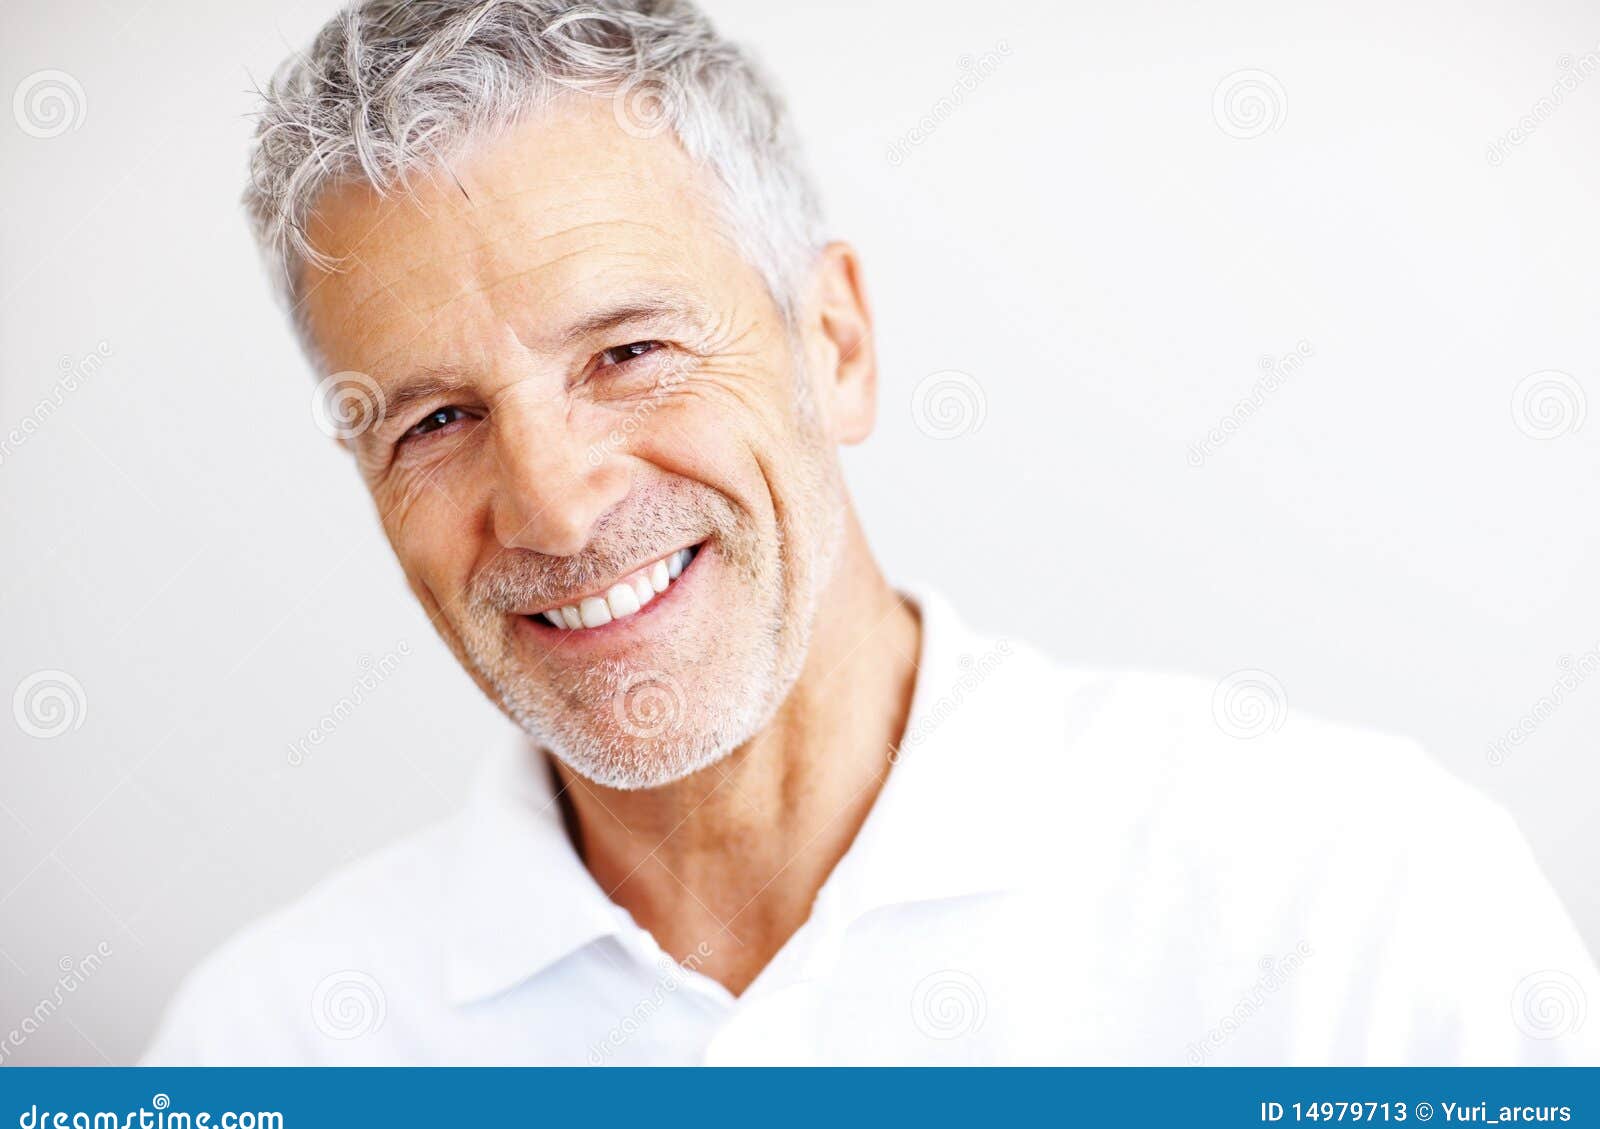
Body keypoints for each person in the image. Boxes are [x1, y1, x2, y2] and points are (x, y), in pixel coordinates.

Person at [143, 0, 1599, 1064]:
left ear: (833, 341)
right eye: (435, 420)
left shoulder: (1354, 908)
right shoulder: (269, 1049)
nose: (557, 503)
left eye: (630, 352)